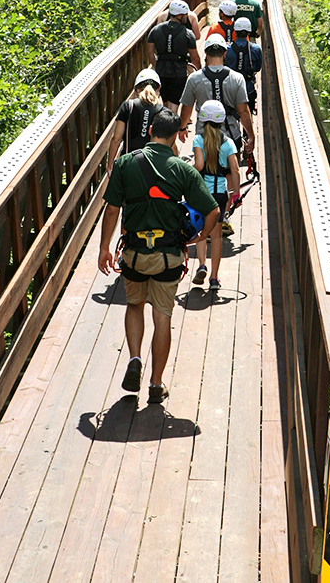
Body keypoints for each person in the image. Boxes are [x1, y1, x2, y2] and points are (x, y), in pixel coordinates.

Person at [98, 109, 219, 402]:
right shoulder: (183, 170)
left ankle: (135, 359)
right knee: (162, 316)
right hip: (168, 256)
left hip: (134, 254)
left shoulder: (126, 163)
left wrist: (104, 248)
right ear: (177, 135)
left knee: (134, 305)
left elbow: (112, 209)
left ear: (151, 130)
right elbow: (213, 210)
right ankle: (155, 383)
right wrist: (199, 237)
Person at [177, 33, 255, 156]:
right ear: (225, 53)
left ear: (206, 54)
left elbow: (187, 108)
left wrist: (182, 128)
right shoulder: (237, 78)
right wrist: (251, 135)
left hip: (204, 136)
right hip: (230, 134)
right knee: (232, 166)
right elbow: (243, 111)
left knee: (203, 165)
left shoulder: (194, 78)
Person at [190, 100, 240, 290]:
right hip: (219, 194)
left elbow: (199, 165)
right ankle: (214, 278)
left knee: (201, 230)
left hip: (201, 193)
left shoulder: (198, 140)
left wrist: (188, 170)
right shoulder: (228, 143)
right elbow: (235, 170)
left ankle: (202, 265)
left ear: (202, 119)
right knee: (217, 236)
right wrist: (236, 193)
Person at [146, 0, 200, 112]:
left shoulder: (155, 30)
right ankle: (172, 121)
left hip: (161, 71)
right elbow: (195, 57)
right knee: (174, 104)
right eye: (185, 15)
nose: (187, 17)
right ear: (179, 15)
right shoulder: (187, 33)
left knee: (165, 103)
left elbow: (150, 52)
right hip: (179, 73)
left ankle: (166, 120)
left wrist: (155, 66)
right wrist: (199, 73)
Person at [107, 68, 164, 173]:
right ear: (158, 88)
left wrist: (110, 165)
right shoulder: (161, 111)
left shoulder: (128, 106)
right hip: (152, 166)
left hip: (128, 163)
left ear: (137, 89)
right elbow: (168, 142)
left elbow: (116, 139)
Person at [225, 17, 263, 113]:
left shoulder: (227, 49)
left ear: (235, 31)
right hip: (248, 88)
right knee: (247, 114)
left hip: (230, 88)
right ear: (249, 32)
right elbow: (258, 68)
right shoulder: (255, 49)